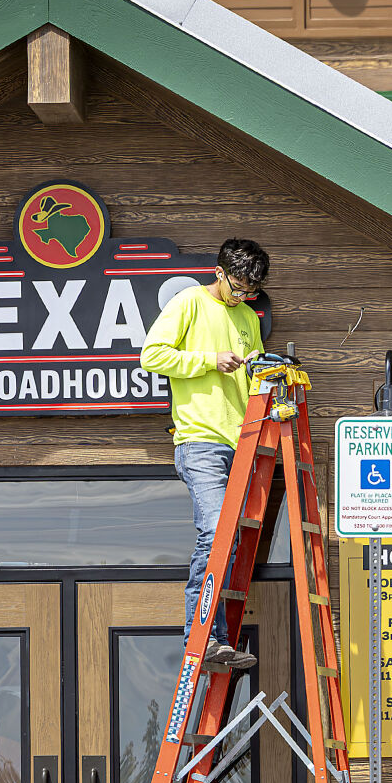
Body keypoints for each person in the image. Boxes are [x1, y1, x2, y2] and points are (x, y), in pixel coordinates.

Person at [140, 238, 270, 671]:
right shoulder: (188, 302)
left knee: (228, 543)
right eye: (238, 286)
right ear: (219, 272)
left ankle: (216, 640)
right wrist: (211, 360)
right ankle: (201, 639)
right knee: (215, 534)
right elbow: (151, 356)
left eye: (251, 289)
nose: (244, 295)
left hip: (242, 441)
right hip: (200, 439)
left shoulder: (249, 316)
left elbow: (254, 378)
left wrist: (265, 373)